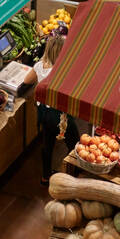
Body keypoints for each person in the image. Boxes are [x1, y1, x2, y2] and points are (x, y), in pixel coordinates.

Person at [34, 33, 80, 185]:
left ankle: (45, 176)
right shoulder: (62, 72)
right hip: (59, 115)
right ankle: (69, 176)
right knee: (74, 144)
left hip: (43, 113)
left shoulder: (39, 66)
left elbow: (27, 79)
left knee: (47, 144)